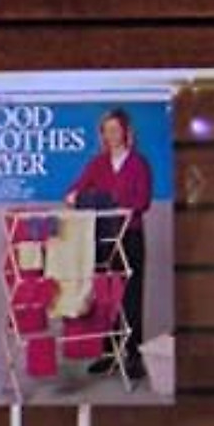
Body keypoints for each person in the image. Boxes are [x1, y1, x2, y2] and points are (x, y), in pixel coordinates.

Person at [64, 107, 152, 380]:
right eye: (107, 130)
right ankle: (108, 353)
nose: (112, 135)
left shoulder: (138, 163)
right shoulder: (97, 164)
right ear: (102, 135)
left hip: (130, 236)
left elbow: (143, 201)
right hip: (103, 238)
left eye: (116, 129)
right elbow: (73, 192)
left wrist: (114, 203)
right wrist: (78, 197)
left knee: (131, 297)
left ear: (126, 132)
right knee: (106, 297)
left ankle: (134, 355)